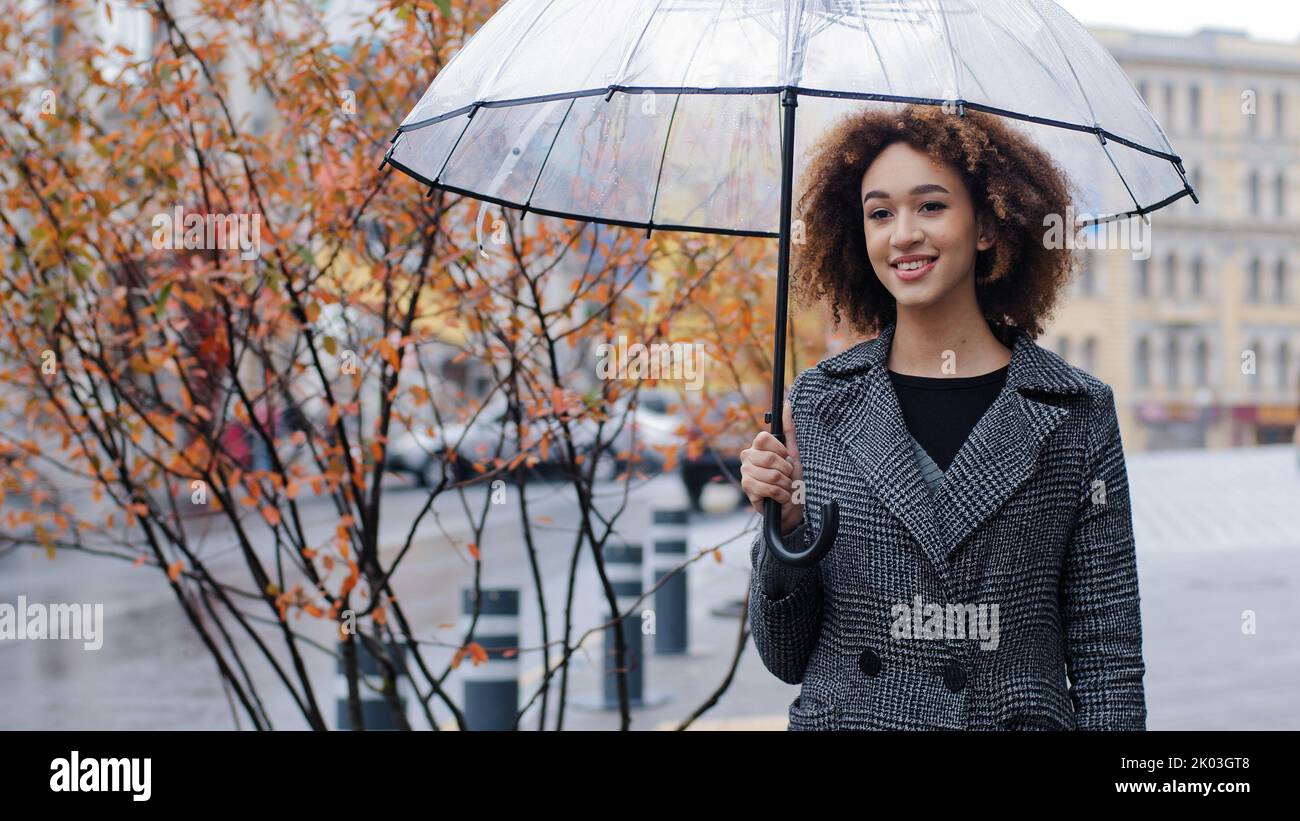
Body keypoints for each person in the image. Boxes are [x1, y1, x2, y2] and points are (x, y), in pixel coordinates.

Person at [740, 104, 1146, 731]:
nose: (902, 233)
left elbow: (1107, 657)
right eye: (880, 213)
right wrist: (786, 531)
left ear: (986, 226)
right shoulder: (819, 404)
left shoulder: (1075, 411)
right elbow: (786, 656)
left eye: (930, 206)